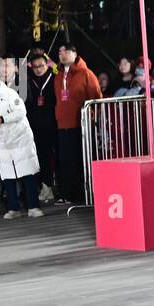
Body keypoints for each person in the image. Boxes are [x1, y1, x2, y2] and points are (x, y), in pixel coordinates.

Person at [0, 69, 43, 219]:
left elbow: (21, 112)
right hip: (2, 141)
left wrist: (3, 118)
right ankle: (13, 208)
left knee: (28, 172)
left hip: (20, 137)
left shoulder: (9, 93)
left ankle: (33, 207)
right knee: (7, 175)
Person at [53, 42, 101, 204]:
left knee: (80, 159)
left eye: (66, 51)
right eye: (59, 51)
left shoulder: (86, 73)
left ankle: (83, 193)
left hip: (81, 125)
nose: (62, 54)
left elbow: (96, 98)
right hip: (62, 124)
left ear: (75, 53)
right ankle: (67, 193)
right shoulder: (58, 75)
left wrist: (92, 120)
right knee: (65, 160)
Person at [23, 49, 58, 202]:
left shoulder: (55, 78)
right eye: (35, 66)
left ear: (47, 64)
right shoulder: (29, 80)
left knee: (56, 156)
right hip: (35, 125)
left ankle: (56, 187)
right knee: (40, 157)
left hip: (53, 123)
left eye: (41, 66)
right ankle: (45, 186)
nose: (38, 69)